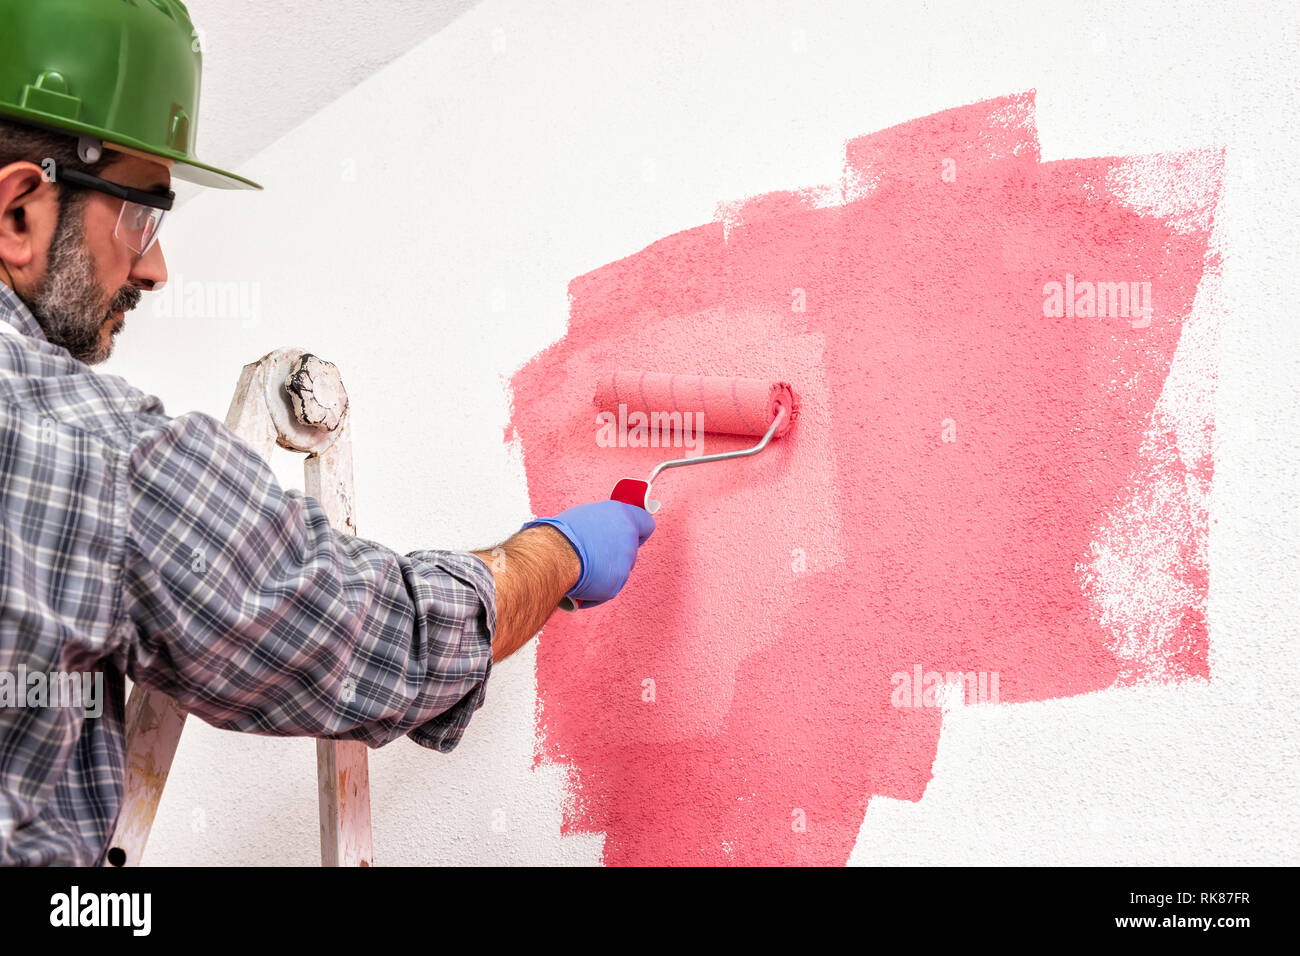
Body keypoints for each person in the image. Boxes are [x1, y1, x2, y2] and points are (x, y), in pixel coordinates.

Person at [0, 0, 654, 865]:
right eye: (142, 216)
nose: (155, 267)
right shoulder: (91, 453)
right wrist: (560, 552)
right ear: (18, 212)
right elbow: (383, 637)